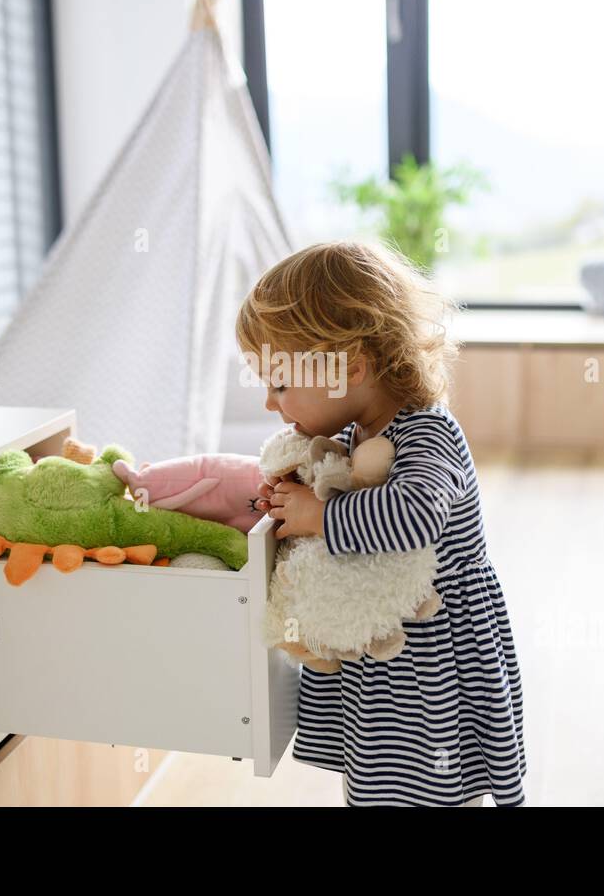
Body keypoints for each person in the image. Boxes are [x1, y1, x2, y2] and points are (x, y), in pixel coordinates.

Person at [235, 240, 527, 807]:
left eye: (281, 384)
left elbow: (415, 516)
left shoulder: (427, 433)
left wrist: (320, 515)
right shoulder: (355, 433)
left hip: (435, 658)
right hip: (390, 658)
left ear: (351, 368)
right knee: (377, 785)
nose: (271, 405)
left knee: (432, 788)